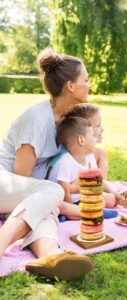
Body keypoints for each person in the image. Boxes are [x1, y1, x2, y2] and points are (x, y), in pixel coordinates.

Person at [0, 48, 94, 280]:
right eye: (86, 79)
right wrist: (61, 202)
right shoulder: (37, 119)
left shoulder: (68, 120)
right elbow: (20, 174)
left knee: (46, 205)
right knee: (49, 195)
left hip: (23, 191)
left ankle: (51, 256)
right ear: (71, 86)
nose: (90, 84)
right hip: (6, 180)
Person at [47, 111, 122, 220]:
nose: (95, 138)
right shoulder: (65, 161)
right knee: (100, 203)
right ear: (81, 140)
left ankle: (82, 212)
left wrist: (110, 192)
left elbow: (96, 180)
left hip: (80, 198)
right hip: (63, 200)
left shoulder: (89, 156)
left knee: (110, 200)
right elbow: (64, 190)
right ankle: (74, 214)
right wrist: (71, 208)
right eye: (92, 135)